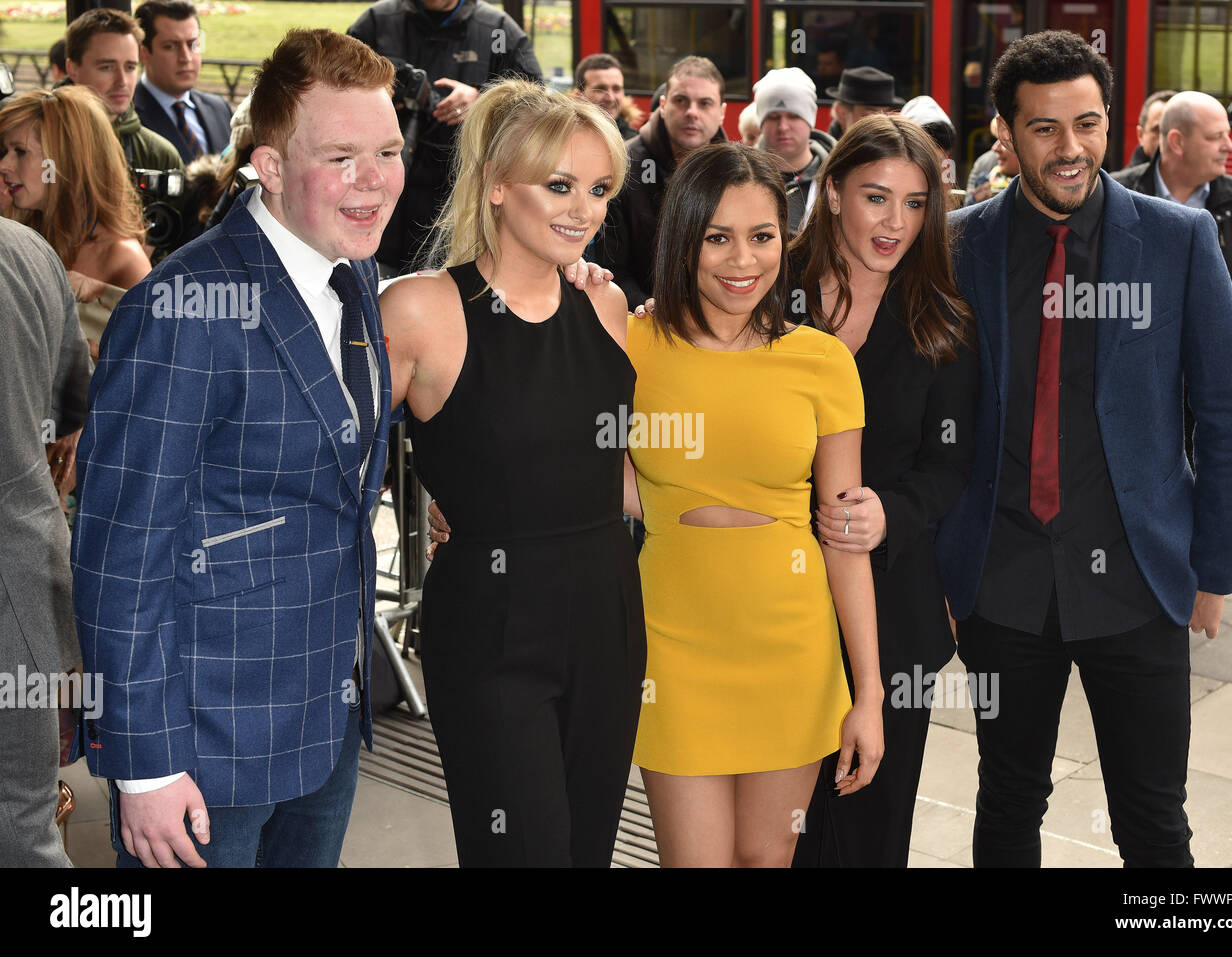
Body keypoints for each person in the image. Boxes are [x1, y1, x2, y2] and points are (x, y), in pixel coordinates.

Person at [70, 28, 402, 868]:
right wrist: (143, 764)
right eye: (342, 156)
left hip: (324, 724)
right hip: (204, 749)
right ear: (269, 166)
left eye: (389, 150)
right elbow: (120, 556)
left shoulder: (354, 271)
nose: (375, 181)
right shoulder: (182, 309)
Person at [936, 31, 1232, 868]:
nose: (1070, 148)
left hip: (1142, 586)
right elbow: (929, 416)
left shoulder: (1179, 241)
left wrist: (1213, 571)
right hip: (1003, 586)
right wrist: (938, 564)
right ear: (1003, 135)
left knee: (1154, 825)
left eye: (1088, 122)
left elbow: (1227, 414)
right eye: (1044, 129)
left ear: (1113, 122)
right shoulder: (957, 244)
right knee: (1007, 805)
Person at [381, 79, 644, 867]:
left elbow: (619, 471)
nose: (584, 209)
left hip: (609, 618)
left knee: (587, 852)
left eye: (599, 189)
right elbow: (338, 459)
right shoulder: (422, 308)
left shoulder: (605, 306)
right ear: (497, 185)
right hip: (491, 628)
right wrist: (435, 492)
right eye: (559, 185)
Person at [625, 143, 884, 867]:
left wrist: (868, 693)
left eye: (762, 236)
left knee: (767, 860)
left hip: (792, 647)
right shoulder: (630, 341)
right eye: (718, 237)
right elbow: (579, 471)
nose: (743, 260)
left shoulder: (823, 362)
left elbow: (843, 539)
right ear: (684, 239)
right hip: (671, 645)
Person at [784, 114, 978, 868]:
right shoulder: (768, 289)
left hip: (892, 607)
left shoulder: (943, 318)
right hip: (774, 595)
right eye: (875, 197)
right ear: (832, 193)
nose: (895, 222)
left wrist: (890, 513)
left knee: (870, 832)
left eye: (915, 202)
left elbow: (950, 465)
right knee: (779, 837)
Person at [0, 215, 91, 868]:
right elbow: (73, 405)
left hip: (19, 588)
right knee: (25, 821)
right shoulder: (28, 252)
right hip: (31, 574)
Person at [1112, 90, 1232, 376]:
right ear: (1177, 142)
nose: (1229, 146)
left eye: (1228, 134)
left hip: (1212, 391)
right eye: (1215, 137)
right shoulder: (1118, 196)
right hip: (1135, 388)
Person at [348, 0, 542, 275]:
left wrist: (482, 98)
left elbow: (533, 105)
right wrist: (379, 94)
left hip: (462, 202)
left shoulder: (497, 30)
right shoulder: (376, 23)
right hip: (380, 195)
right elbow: (335, 87)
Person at [0, 85, 152, 360]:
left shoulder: (122, 258)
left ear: (63, 163)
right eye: (5, 150)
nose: (4, 164)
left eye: (20, 152)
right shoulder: (22, 230)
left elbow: (144, 372)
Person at [594, 55, 728, 309]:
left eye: (705, 103)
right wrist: (647, 306)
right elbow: (609, 268)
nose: (692, 112)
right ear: (663, 105)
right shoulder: (620, 166)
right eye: (681, 101)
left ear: (722, 112)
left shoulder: (738, 173)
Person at [62, 9, 183, 182]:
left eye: (130, 67)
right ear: (72, 69)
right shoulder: (34, 140)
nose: (122, 82)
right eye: (106, 67)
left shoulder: (159, 155)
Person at [131, 2, 233, 164]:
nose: (186, 58)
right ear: (143, 53)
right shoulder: (128, 117)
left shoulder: (220, 108)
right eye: (170, 46)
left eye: (193, 44)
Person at [752, 66, 834, 234]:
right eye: (773, 117)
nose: (783, 127)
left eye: (793, 116)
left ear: (810, 119)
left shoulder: (837, 177)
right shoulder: (741, 176)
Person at [574, 52, 639, 138]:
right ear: (579, 96)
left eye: (616, 89)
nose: (611, 98)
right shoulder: (562, 141)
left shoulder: (636, 144)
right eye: (600, 89)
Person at [826, 66, 902, 139]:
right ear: (841, 113)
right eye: (871, 117)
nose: (882, 125)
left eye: (888, 116)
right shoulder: (819, 150)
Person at [965, 115, 1020, 207]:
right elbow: (966, 212)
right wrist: (976, 204)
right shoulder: (983, 170)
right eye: (996, 139)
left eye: (1004, 141)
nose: (995, 148)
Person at [1125, 89, 1174, 169]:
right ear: (1140, 135)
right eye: (1159, 130)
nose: (1170, 138)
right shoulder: (1119, 181)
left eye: (1177, 129)